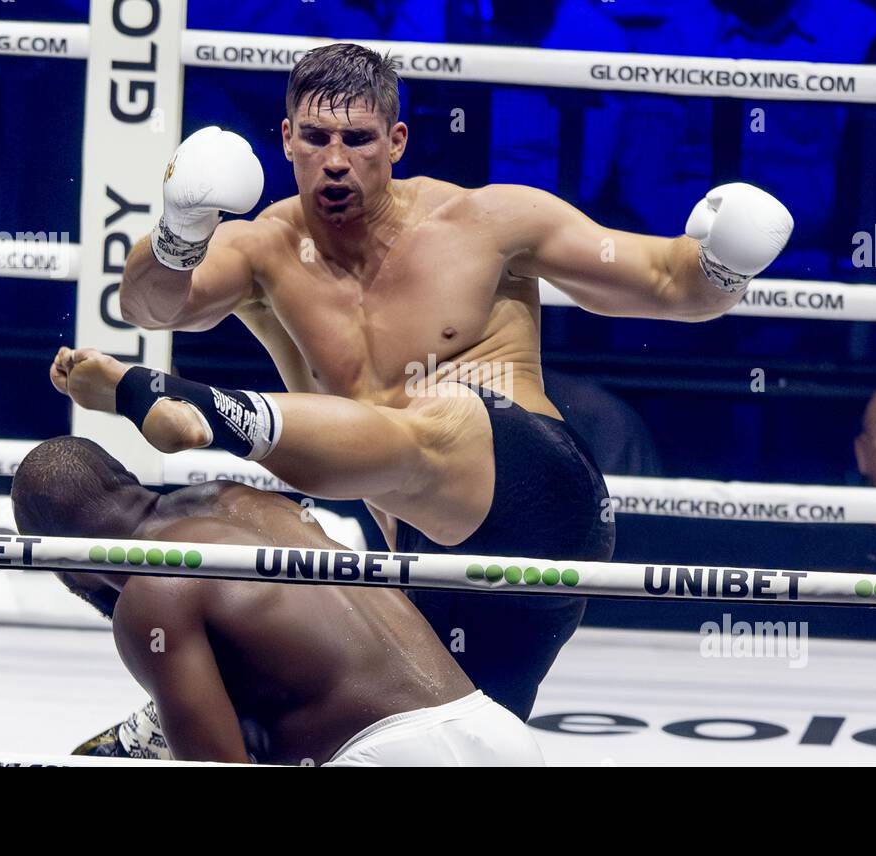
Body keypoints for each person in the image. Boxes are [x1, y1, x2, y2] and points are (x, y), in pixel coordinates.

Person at [85, 43, 792, 720]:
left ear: (396, 142)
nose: (336, 162)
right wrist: (179, 227)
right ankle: (220, 719)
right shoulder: (264, 250)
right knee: (431, 737)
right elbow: (148, 307)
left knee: (444, 409)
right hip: (415, 552)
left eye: (358, 140)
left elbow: (672, 284)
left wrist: (726, 260)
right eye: (316, 137)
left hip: (532, 500)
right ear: (286, 139)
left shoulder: (486, 223)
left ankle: (214, 415)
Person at [10, 436, 544, 766]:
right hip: (501, 736)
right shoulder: (244, 502)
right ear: (124, 480)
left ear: (68, 570)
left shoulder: (154, 590)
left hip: (383, 756)